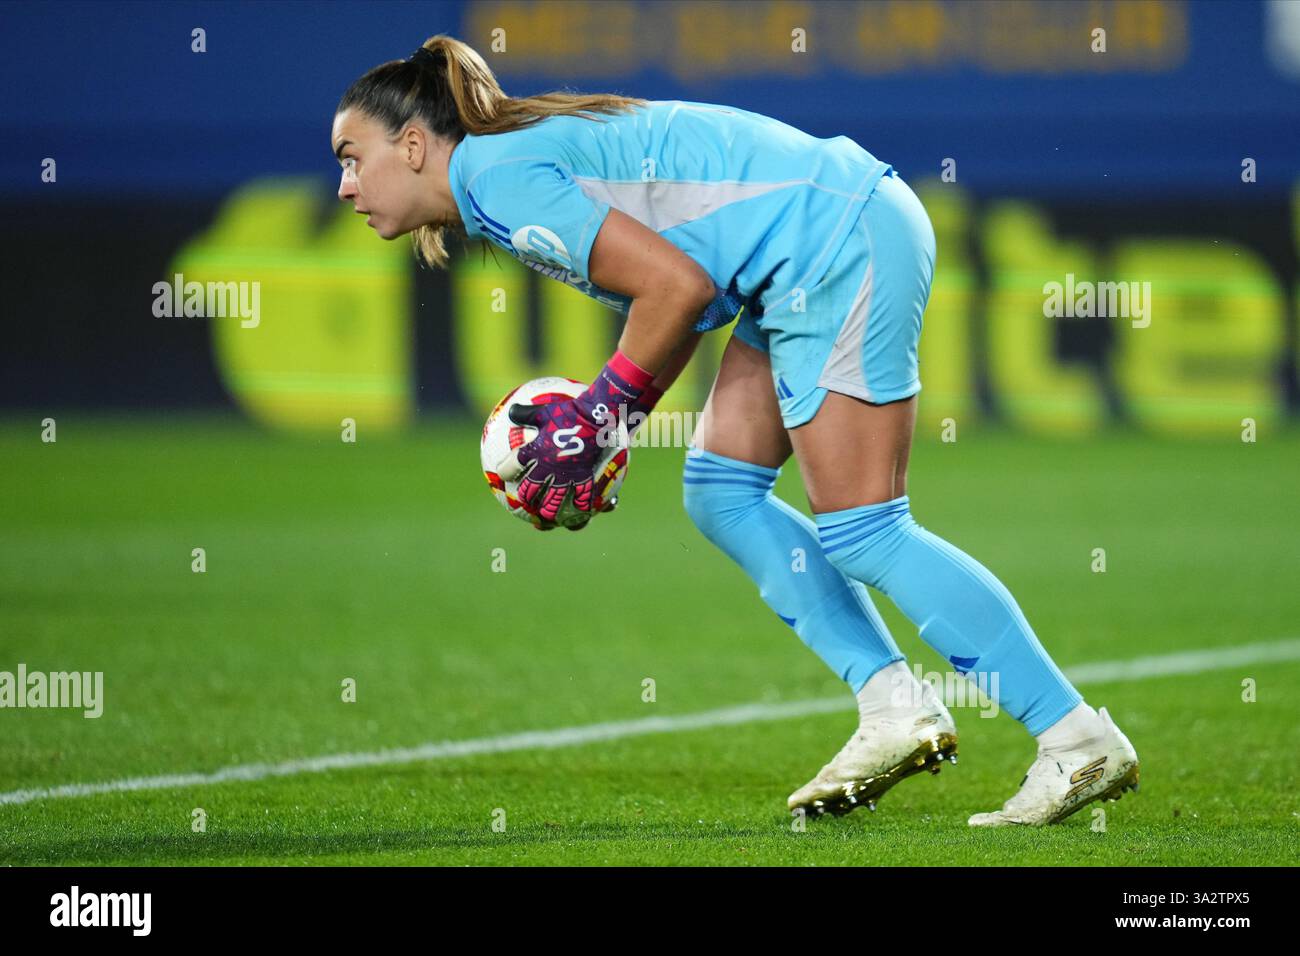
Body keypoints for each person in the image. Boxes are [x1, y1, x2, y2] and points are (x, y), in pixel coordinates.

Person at [331, 35, 1140, 826]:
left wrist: (602, 418)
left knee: (865, 531)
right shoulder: (501, 171)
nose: (344, 184)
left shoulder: (491, 172)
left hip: (832, 240)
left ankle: (1074, 738)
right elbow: (682, 295)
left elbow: (675, 290)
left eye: (350, 155)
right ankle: (894, 708)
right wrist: (608, 426)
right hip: (806, 249)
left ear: (410, 144)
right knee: (721, 492)